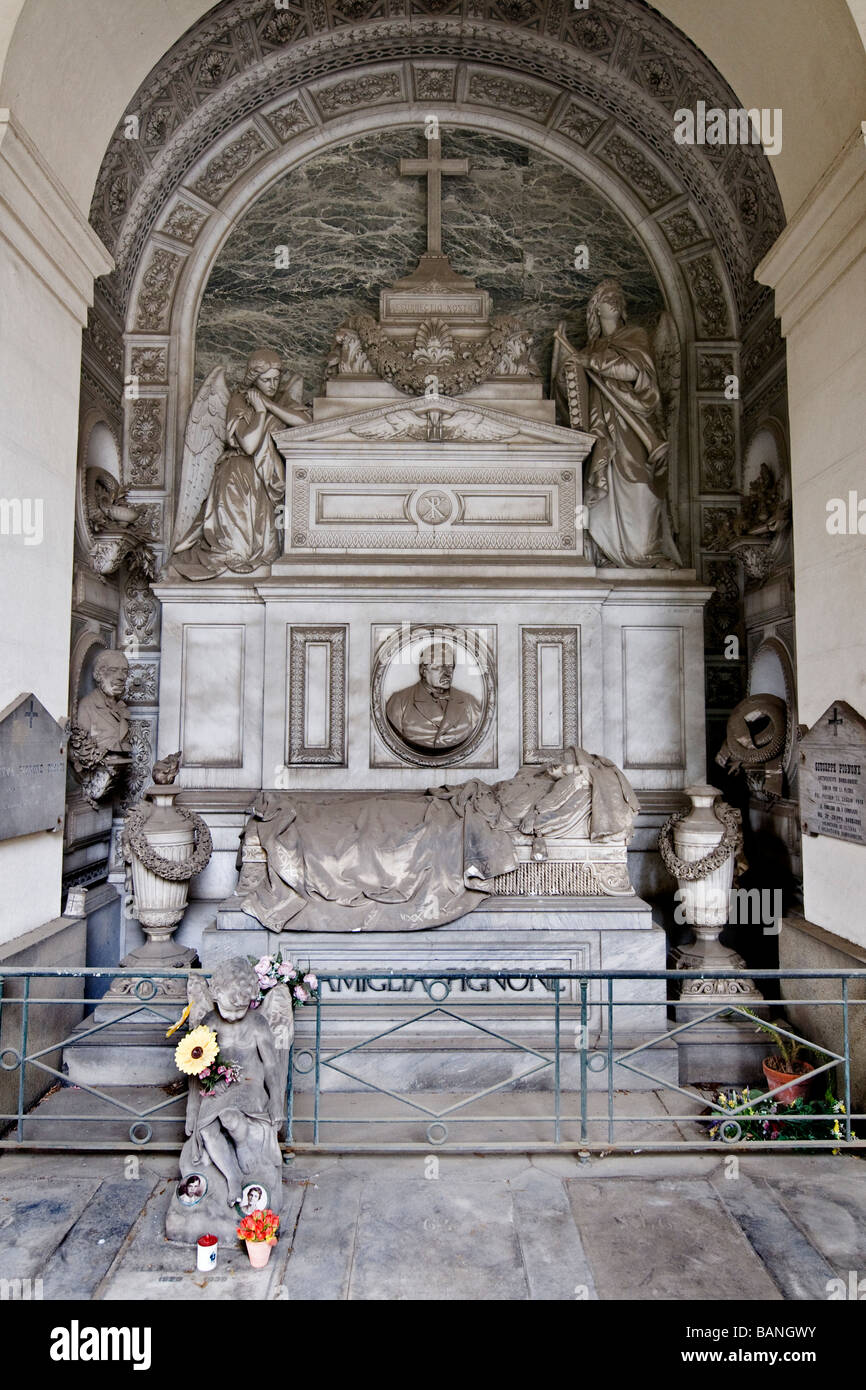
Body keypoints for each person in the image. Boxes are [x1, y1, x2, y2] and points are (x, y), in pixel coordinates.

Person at [555, 278, 681, 569]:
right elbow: (573, 398)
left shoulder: (634, 336)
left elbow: (635, 370)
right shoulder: (591, 348)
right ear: (595, 310)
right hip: (603, 433)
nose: (613, 299)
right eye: (606, 296)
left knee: (639, 487)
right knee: (604, 491)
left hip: (634, 428)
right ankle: (608, 552)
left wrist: (591, 361)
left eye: (617, 296)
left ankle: (646, 554)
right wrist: (569, 371)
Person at [172, 349, 310, 579]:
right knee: (237, 550)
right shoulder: (240, 399)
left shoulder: (283, 401)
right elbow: (248, 444)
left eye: (276, 379)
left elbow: (305, 423)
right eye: (266, 380)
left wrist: (268, 404)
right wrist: (259, 412)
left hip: (264, 482)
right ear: (253, 378)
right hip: (237, 477)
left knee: (265, 552)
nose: (272, 385)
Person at [385, 641, 482, 752]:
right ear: (423, 670)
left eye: (450, 667)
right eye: (439, 667)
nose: (447, 673)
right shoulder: (399, 701)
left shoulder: (470, 703)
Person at [75, 650, 130, 758]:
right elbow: (82, 747)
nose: (121, 677)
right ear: (98, 675)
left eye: (124, 671)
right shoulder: (88, 706)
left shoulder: (122, 707)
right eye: (113, 670)